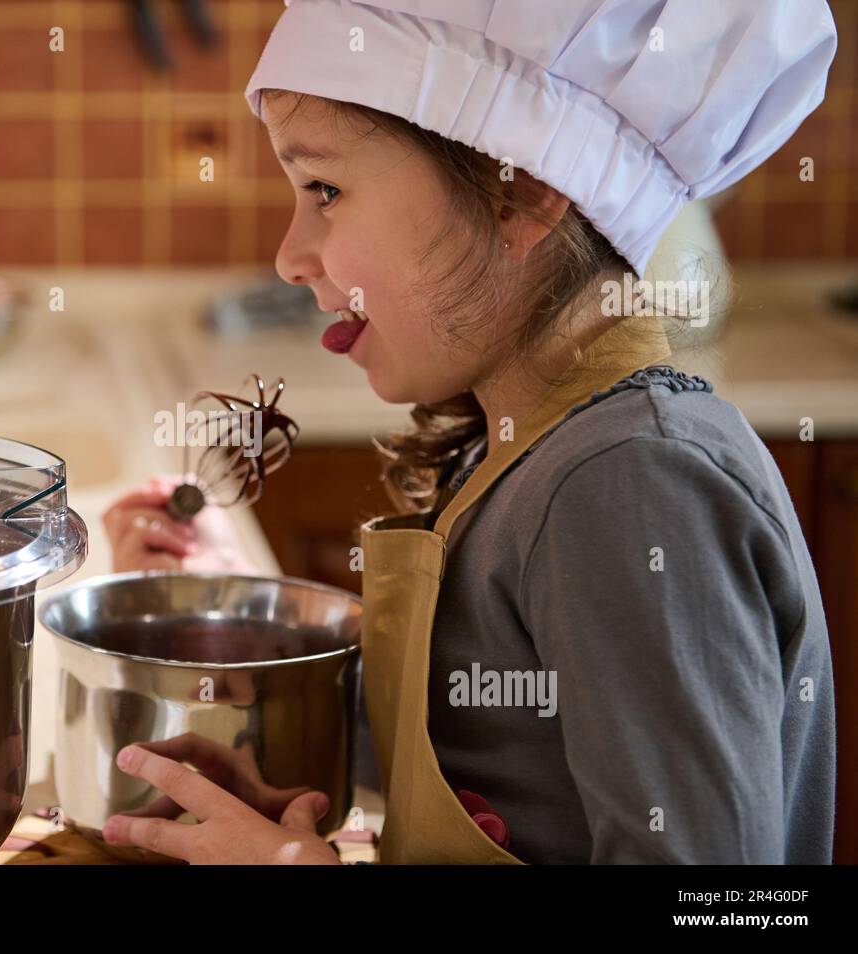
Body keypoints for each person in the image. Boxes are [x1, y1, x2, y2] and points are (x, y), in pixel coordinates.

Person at [101, 0, 838, 864]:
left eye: (325, 190)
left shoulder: (628, 480)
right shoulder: (527, 449)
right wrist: (247, 627)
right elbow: (483, 754)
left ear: (519, 192)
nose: (290, 257)